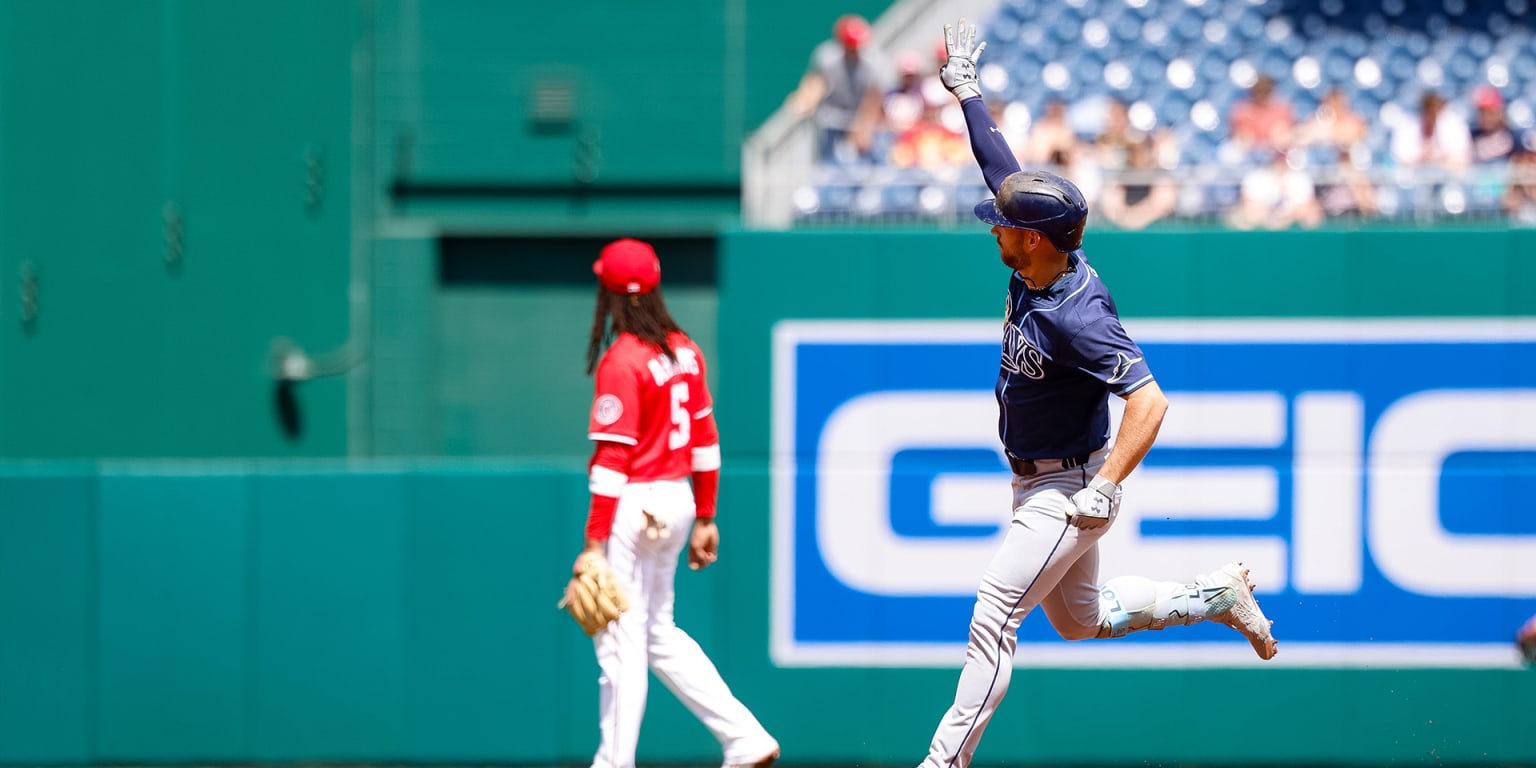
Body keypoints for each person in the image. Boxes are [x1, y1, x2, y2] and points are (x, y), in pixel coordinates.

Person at [917, 21, 1279, 768]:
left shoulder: (1079, 313)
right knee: (1081, 621)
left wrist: (1109, 487)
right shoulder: (1039, 257)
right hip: (1037, 480)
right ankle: (1212, 595)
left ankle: (942, 763)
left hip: (1069, 485)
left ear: (1038, 240)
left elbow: (1150, 402)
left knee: (994, 613)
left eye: (1006, 228)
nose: (995, 230)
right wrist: (970, 93)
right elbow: (1002, 172)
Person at [575, 238, 780, 768]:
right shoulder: (684, 349)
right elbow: (706, 441)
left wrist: (593, 544)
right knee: (654, 630)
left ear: (611, 294)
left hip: (634, 503)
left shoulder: (623, 360)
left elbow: (611, 463)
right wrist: (707, 514)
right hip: (679, 498)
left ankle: (612, 762)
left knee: (619, 641)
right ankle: (744, 737)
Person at [787, 14, 891, 166]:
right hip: (832, 118)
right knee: (829, 164)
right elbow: (815, 84)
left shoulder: (874, 62)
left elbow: (874, 98)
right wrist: (805, 101)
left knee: (866, 163)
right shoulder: (827, 58)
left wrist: (864, 126)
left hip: (859, 117)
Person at [1097, 131, 1179, 230]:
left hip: (1157, 235)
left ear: (1150, 150)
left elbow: (1161, 206)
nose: (1136, 154)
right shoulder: (1118, 177)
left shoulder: (1162, 177)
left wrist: (1134, 220)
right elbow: (1111, 207)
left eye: (1141, 149)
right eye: (1132, 149)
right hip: (1123, 235)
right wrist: (1128, 221)